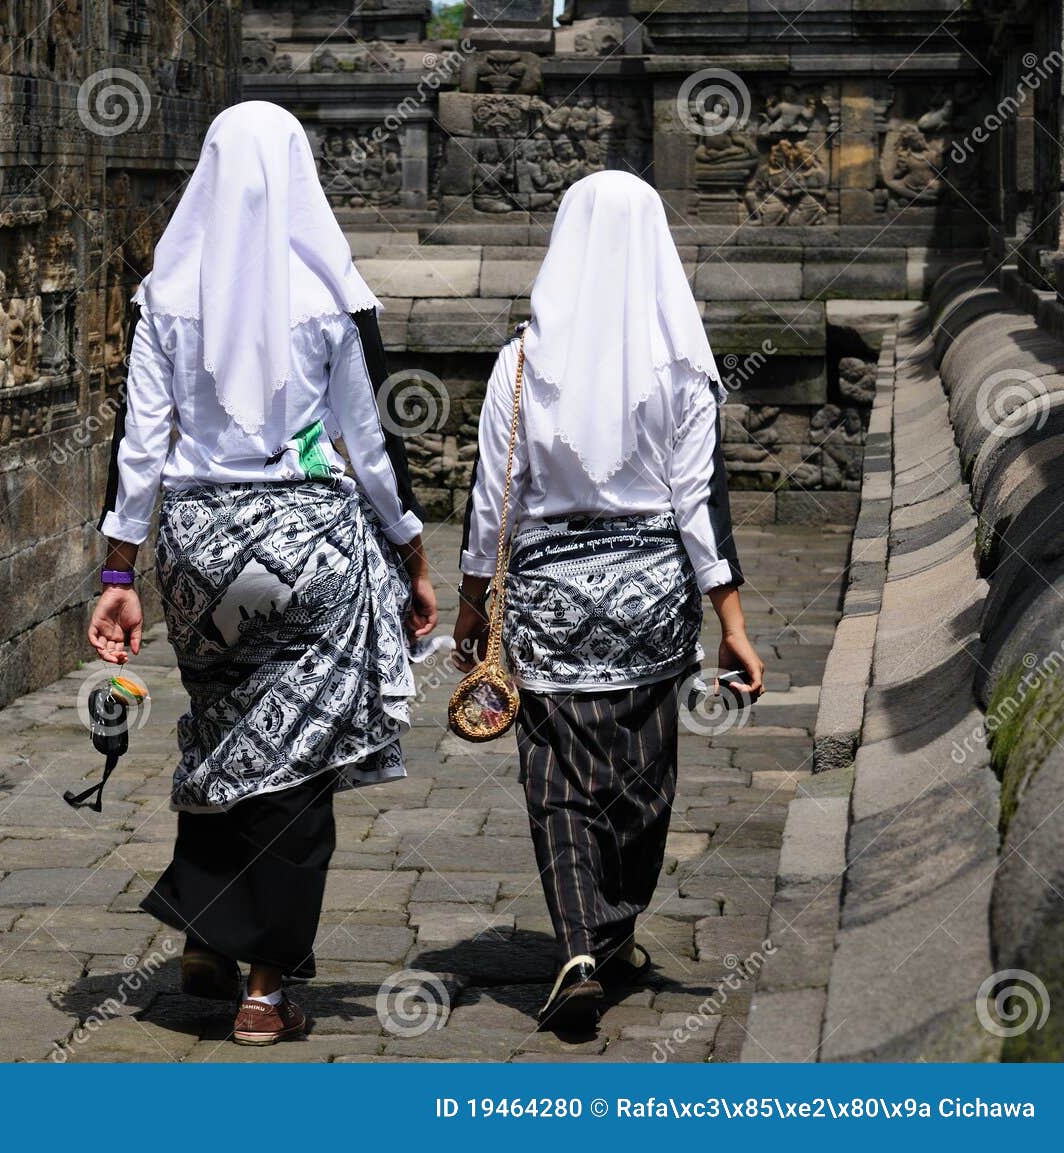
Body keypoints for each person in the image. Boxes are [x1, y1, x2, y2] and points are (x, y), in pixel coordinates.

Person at [88, 101, 437, 1046]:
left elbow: (139, 444)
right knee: (298, 756)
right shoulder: (331, 289)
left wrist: (120, 566)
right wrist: (408, 546)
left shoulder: (166, 291)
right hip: (305, 544)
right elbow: (367, 441)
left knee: (223, 724)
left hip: (197, 552)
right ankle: (265, 984)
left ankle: (207, 925)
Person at [453, 170, 764, 1030]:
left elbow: (494, 500)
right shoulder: (686, 368)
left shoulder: (519, 362)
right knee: (642, 775)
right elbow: (698, 508)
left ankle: (581, 941)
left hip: (550, 602)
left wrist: (474, 601)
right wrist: (733, 623)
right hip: (653, 605)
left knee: (555, 773)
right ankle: (615, 922)